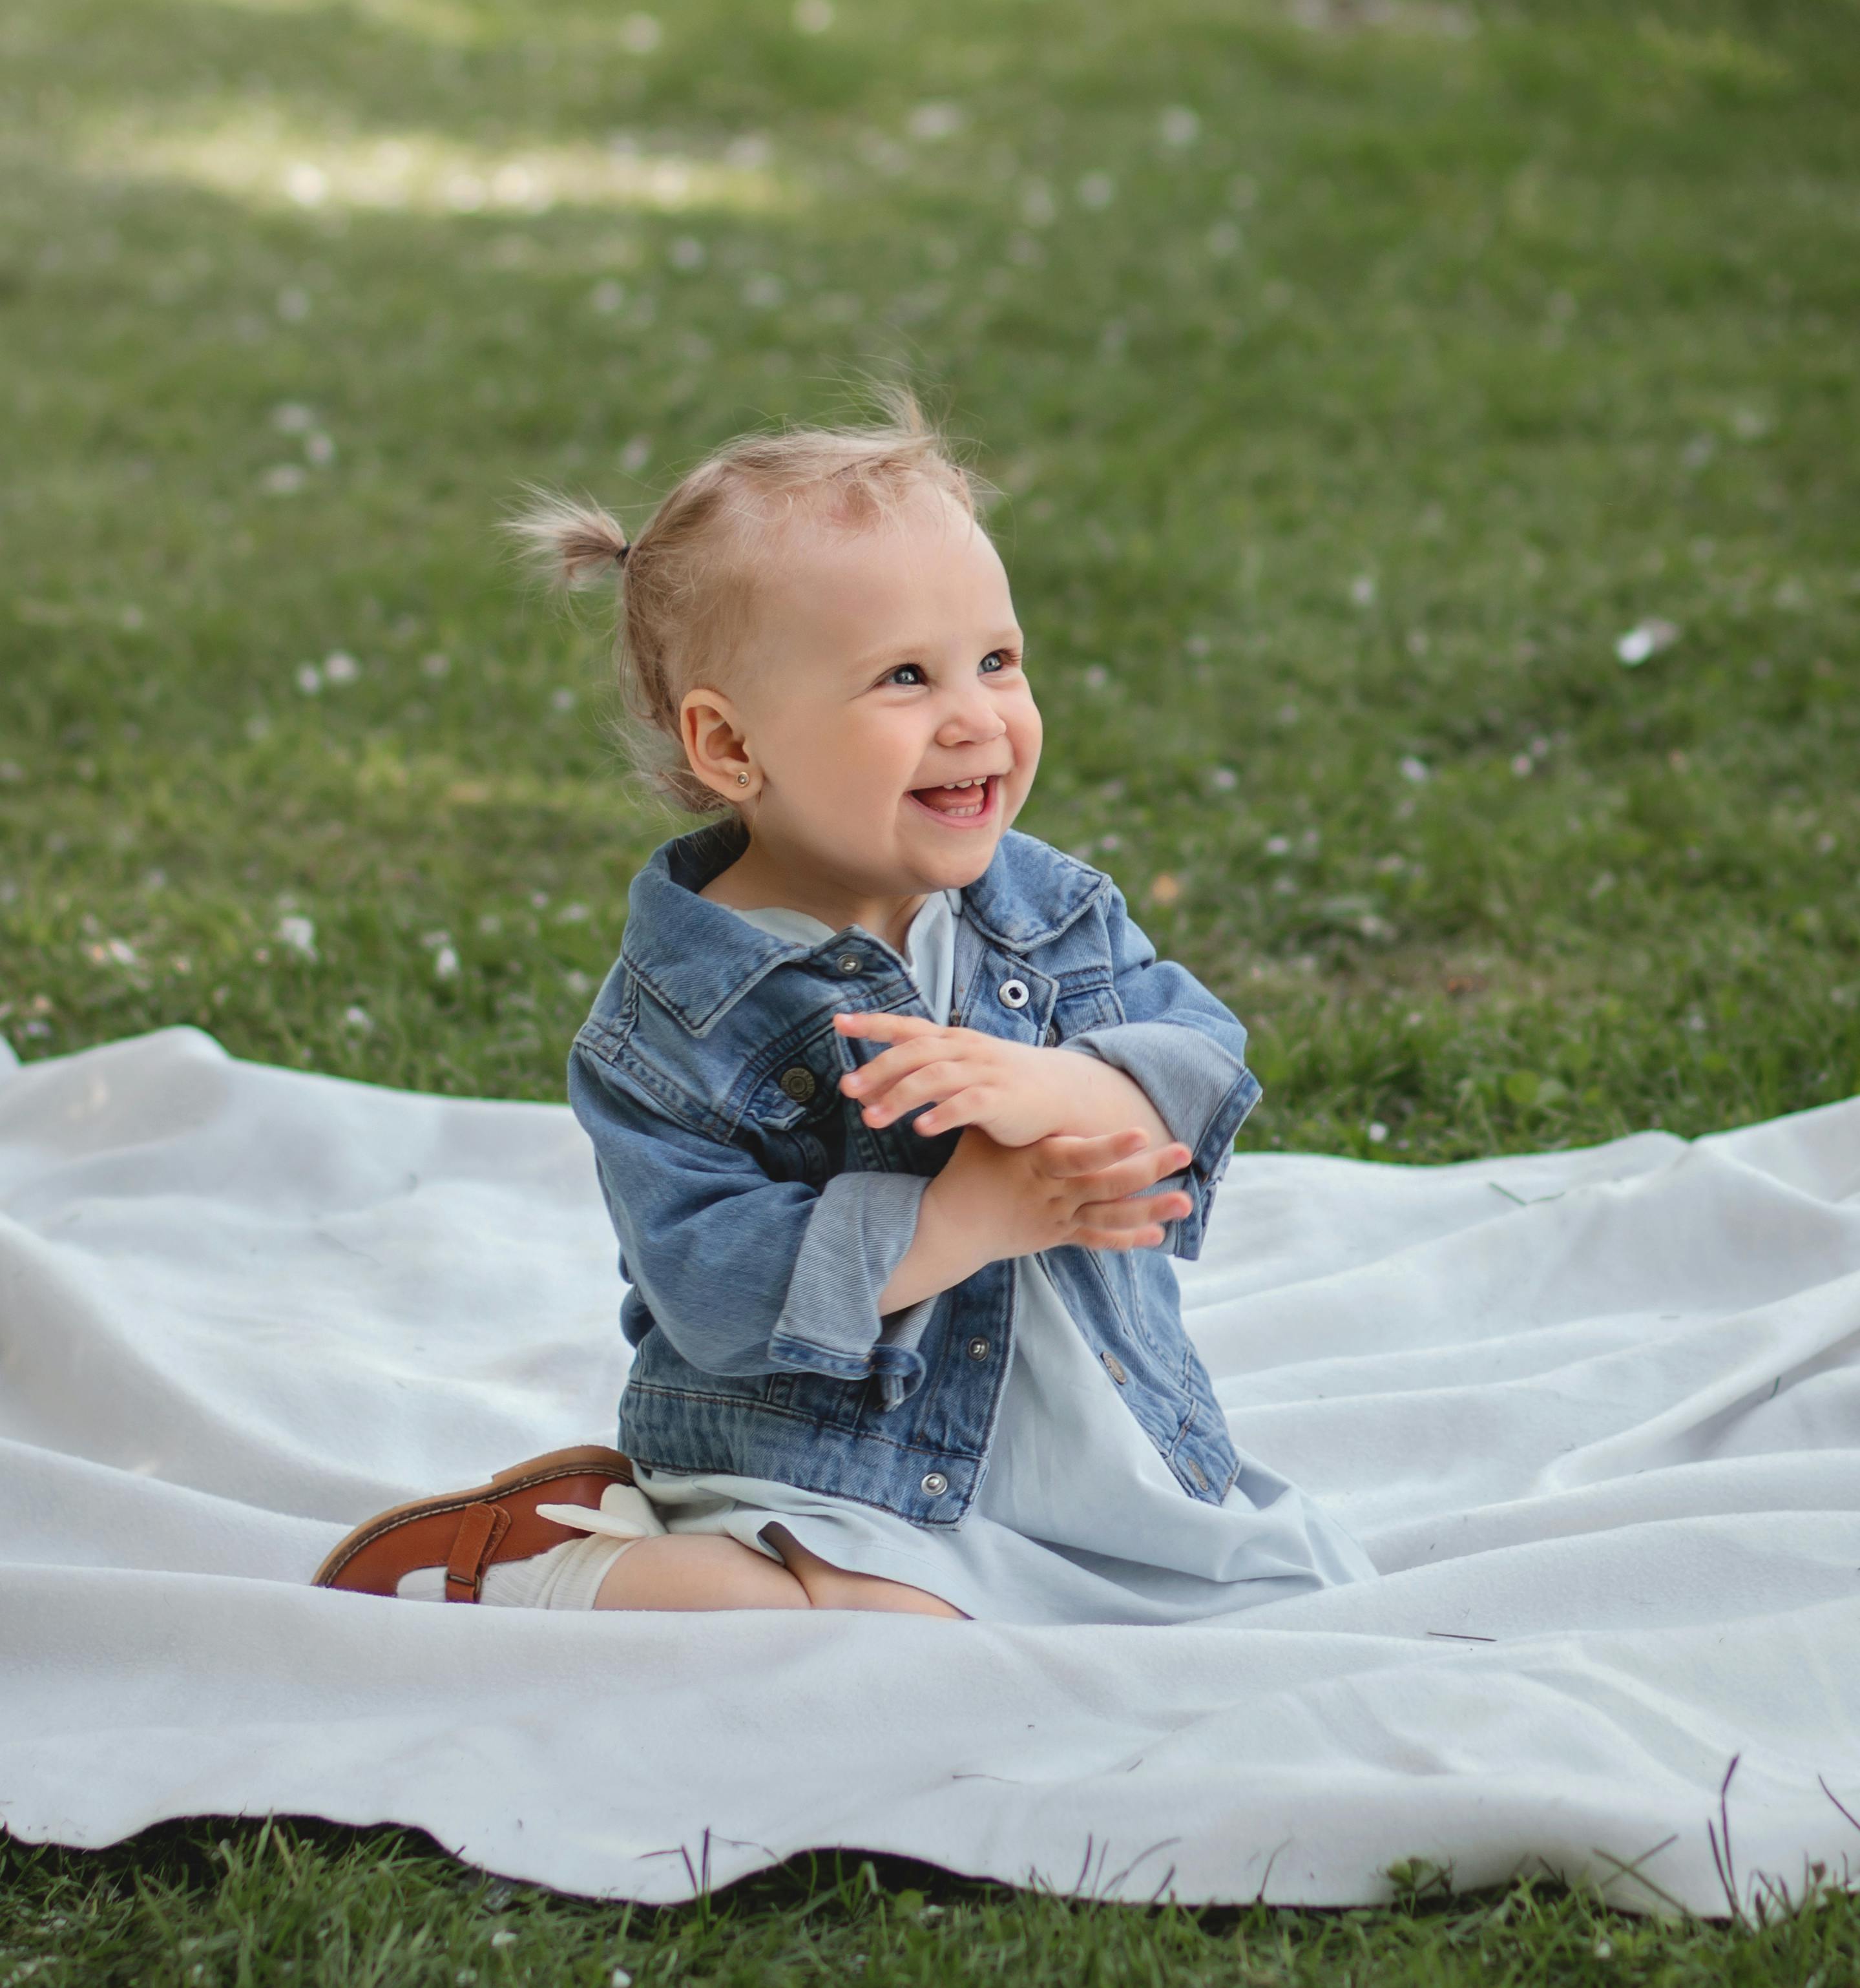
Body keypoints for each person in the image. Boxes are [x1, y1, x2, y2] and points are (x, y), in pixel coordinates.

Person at [316, 401, 1373, 1622]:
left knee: (1292, 1591)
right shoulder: (677, 1025)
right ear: (730, 744)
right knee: (884, 1642)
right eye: (906, 678)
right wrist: (960, 1215)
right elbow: (715, 1287)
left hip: (1086, 1441)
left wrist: (1069, 1089)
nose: (975, 716)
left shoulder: (1046, 911)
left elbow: (1200, 1055)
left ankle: (1058, 1550)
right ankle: (557, 1564)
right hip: (827, 1474)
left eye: (998, 661)